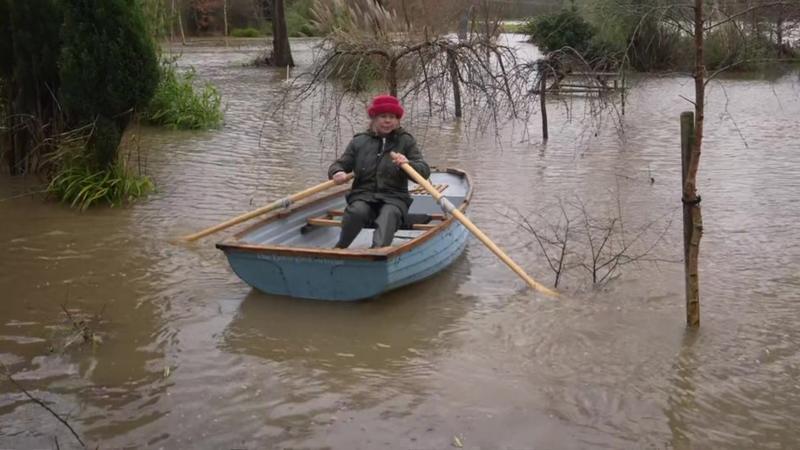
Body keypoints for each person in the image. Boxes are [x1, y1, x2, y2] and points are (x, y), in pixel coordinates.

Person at [328, 94, 431, 249]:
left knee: (389, 214)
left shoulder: (406, 141)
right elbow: (340, 164)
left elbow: (424, 172)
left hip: (394, 198)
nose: (388, 121)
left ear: (397, 120)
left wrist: (408, 164)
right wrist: (337, 172)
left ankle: (377, 253)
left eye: (392, 117)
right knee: (356, 211)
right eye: (383, 116)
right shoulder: (359, 141)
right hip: (363, 196)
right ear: (374, 118)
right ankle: (340, 248)